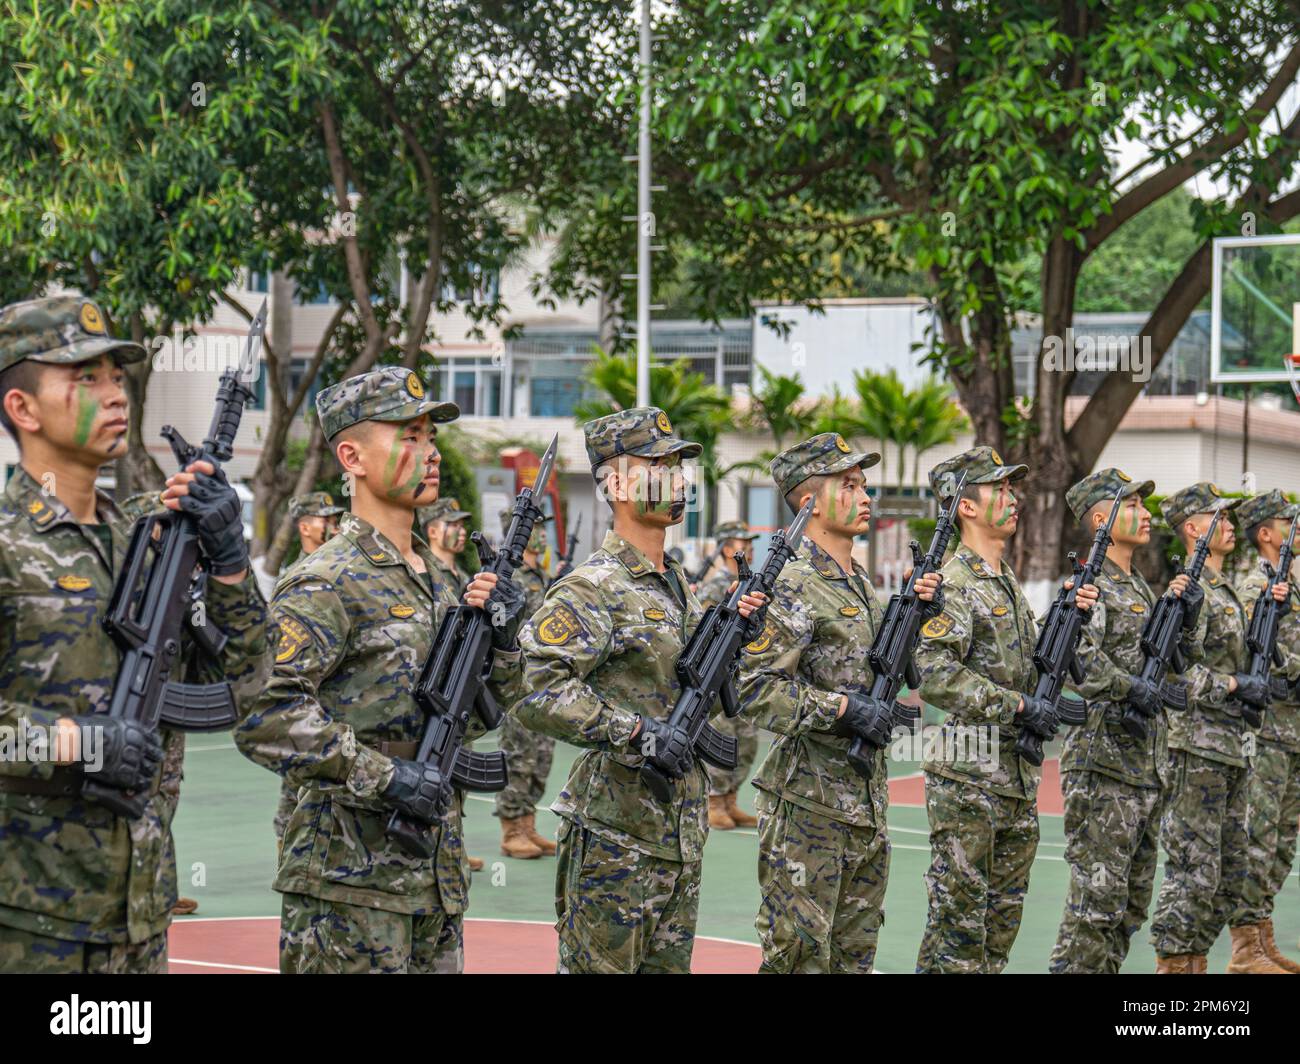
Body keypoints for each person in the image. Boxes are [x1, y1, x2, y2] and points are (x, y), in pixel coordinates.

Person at [0, 294, 269, 973]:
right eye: (84, 377)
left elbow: (247, 683)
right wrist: (75, 741)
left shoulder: (149, 540)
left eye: (117, 376)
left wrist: (231, 568)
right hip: (29, 923)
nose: (114, 393)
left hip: (141, 917)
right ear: (22, 409)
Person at [233, 367, 526, 973]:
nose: (430, 454)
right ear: (352, 456)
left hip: (434, 874)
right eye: (409, 437)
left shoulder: (444, 581)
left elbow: (474, 717)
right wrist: (383, 775)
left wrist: (503, 645)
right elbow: (265, 715)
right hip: (347, 883)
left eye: (431, 438)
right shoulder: (326, 579)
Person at [513, 407, 765, 973]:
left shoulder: (676, 580)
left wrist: (735, 636)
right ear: (618, 483)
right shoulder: (594, 586)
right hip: (615, 837)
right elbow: (534, 687)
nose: (678, 479)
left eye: (679, 467)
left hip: (677, 833)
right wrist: (633, 731)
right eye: (660, 466)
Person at [737, 433, 942, 973]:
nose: (865, 495)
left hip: (865, 805)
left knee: (854, 959)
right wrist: (843, 711)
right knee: (799, 958)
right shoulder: (791, 583)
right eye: (848, 485)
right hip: (809, 809)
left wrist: (918, 621)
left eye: (864, 484)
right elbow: (753, 688)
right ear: (810, 502)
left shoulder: (857, 583)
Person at [913, 446, 1097, 974]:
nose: (1013, 498)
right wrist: (1016, 705)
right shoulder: (952, 583)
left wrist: (1066, 619)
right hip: (969, 782)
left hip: (1013, 777)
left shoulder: (1004, 580)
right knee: (958, 930)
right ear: (965, 506)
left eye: (1011, 488)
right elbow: (934, 672)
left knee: (999, 928)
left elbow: (1030, 667)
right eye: (998, 489)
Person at [1049, 469, 1194, 973]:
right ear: (1101, 518)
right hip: (1104, 768)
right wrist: (1133, 688)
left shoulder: (1137, 585)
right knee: (1095, 908)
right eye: (1132, 505)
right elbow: (1082, 663)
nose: (1146, 513)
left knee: (1129, 909)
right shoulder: (1090, 586)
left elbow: (1172, 661)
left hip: (1144, 768)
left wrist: (1185, 617)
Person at [1148, 483, 1289, 974]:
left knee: (1228, 875)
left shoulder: (1224, 588)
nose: (1230, 525)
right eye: (1219, 517)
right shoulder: (1189, 591)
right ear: (1193, 529)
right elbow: (1172, 672)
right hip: (1196, 748)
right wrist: (1233, 683)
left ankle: (1202, 962)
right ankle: (1175, 968)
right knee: (1194, 874)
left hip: (1232, 747)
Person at [1226, 490, 1300, 973]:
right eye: (1288, 521)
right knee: (1260, 837)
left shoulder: (1289, 585)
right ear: (1267, 535)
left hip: (1292, 731)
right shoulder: (1257, 588)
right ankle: (1245, 948)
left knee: (1284, 839)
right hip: (1269, 729)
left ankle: (1263, 935)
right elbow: (1256, 655)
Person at [268, 491, 347, 850]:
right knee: (296, 779)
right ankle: (287, 844)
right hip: (306, 691)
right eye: (324, 519)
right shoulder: (297, 576)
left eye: (334, 519)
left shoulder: (339, 569)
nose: (332, 525)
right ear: (304, 526)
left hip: (336, 693)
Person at [494, 507, 558, 859]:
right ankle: (511, 828)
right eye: (536, 528)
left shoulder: (540, 573)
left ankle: (529, 822)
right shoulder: (513, 576)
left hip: (542, 679)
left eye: (544, 528)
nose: (542, 534)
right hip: (519, 679)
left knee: (541, 755)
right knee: (518, 754)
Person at [696, 520, 763, 830]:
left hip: (744, 673)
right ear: (726, 549)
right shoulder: (716, 586)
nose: (748, 547)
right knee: (722, 735)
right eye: (741, 541)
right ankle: (713, 801)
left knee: (746, 741)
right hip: (719, 674)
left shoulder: (750, 585)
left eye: (750, 542)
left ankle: (731, 799)